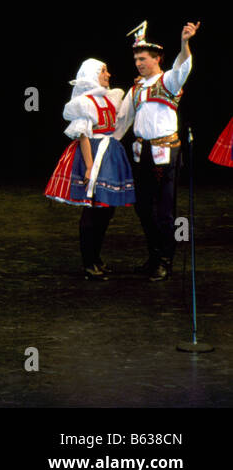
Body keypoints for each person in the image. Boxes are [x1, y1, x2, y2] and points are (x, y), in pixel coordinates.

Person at [111, 21, 199, 281]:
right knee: (143, 208)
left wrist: (184, 42)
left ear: (157, 58)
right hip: (141, 154)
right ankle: (154, 254)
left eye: (143, 58)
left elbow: (183, 65)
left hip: (166, 153)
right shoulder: (136, 89)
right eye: (136, 59)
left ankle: (164, 260)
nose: (138, 63)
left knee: (164, 211)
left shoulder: (168, 81)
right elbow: (122, 121)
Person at [43, 59, 133, 279]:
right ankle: (89, 262)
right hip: (92, 154)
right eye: (103, 71)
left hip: (109, 153)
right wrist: (90, 166)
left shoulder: (110, 98)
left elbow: (121, 121)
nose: (108, 74)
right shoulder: (85, 102)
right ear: (92, 74)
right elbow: (84, 135)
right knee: (92, 209)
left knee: (106, 209)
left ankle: (96, 258)